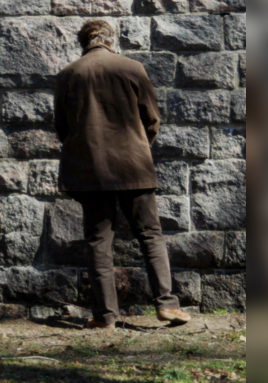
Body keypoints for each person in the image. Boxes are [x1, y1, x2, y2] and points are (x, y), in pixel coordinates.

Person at [54, 19, 191, 330]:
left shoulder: (67, 75)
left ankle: (105, 316)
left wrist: (86, 152)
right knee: (150, 235)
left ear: (83, 42)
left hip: (91, 171)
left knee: (98, 241)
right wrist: (140, 147)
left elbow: (62, 128)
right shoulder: (132, 68)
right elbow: (152, 119)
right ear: (110, 40)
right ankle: (167, 306)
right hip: (134, 166)